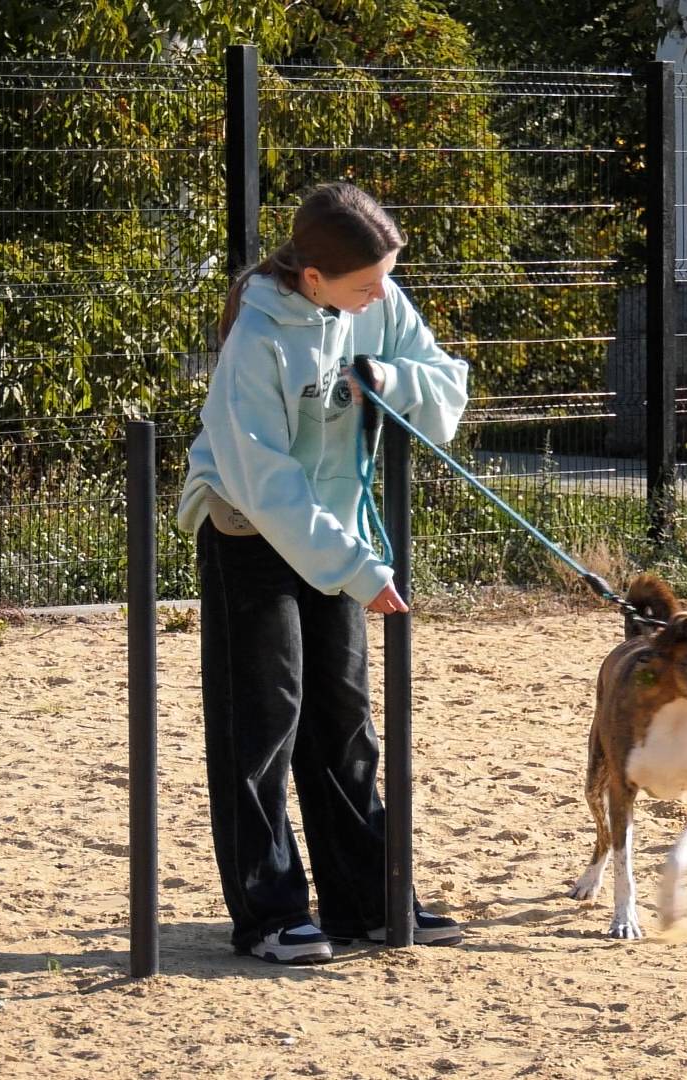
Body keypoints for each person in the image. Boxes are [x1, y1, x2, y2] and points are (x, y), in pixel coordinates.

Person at [176, 182, 471, 964]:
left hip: (332, 531)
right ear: (313, 280)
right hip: (248, 527)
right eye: (365, 285)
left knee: (344, 718)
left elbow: (444, 387)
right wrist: (357, 568)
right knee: (264, 722)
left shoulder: (374, 295)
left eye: (386, 279)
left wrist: (384, 376)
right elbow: (266, 481)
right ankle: (270, 913)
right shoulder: (257, 339)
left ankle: (366, 900)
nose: (382, 294)